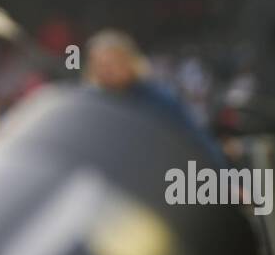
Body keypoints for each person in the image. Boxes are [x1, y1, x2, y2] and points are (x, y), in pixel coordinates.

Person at [84, 30, 227, 166]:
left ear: (130, 62)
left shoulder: (158, 99)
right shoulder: (90, 103)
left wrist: (221, 176)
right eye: (100, 64)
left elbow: (196, 139)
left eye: (112, 63)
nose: (106, 70)